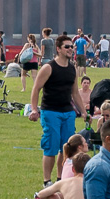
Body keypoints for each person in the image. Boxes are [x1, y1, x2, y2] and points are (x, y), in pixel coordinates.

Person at [29, 34, 81, 185]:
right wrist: (34, 109)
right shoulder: (48, 67)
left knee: (67, 149)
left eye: (72, 46)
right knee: (51, 147)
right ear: (58, 49)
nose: (70, 49)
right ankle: (47, 181)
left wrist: (83, 112)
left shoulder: (73, 69)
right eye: (67, 47)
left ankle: (61, 179)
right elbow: (36, 88)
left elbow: (75, 93)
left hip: (68, 112)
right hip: (50, 111)